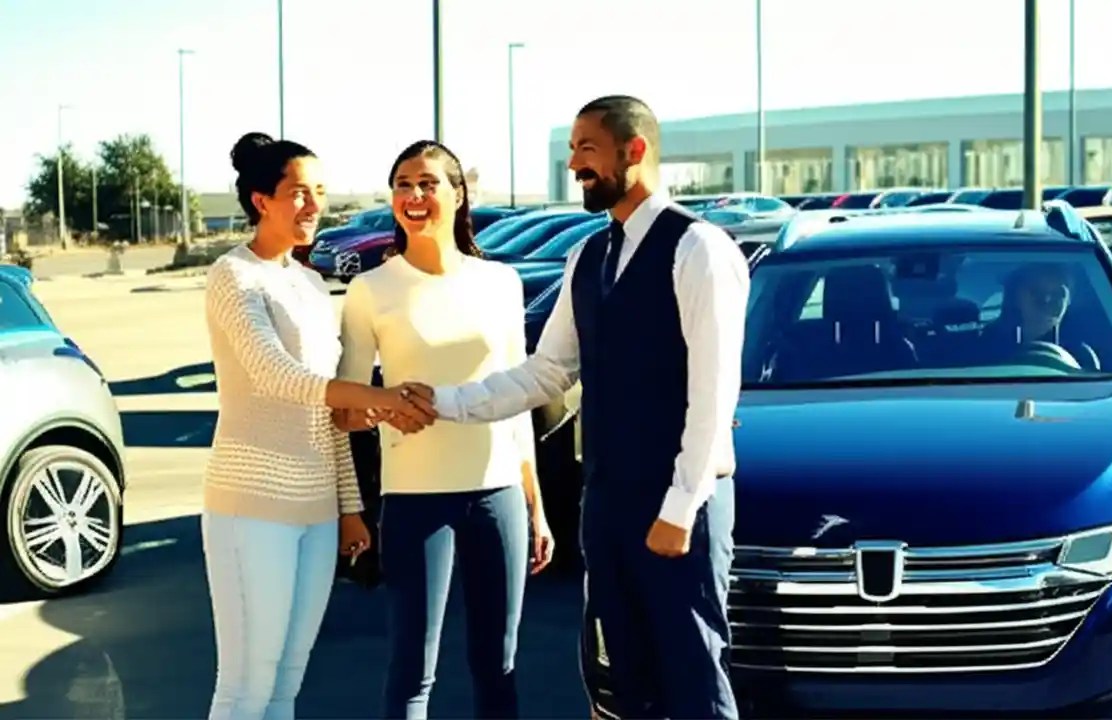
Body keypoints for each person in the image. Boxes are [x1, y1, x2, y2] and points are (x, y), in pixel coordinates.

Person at [422, 95, 750, 718]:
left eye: (587, 149)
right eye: (572, 150)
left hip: (678, 502)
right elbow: (546, 373)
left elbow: (713, 393)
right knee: (626, 680)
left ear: (636, 151)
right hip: (606, 502)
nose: (574, 164)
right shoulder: (587, 257)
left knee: (694, 675)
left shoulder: (699, 250)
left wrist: (680, 508)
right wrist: (440, 403)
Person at [202, 131, 435, 720]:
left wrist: (350, 507)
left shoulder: (306, 283)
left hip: (316, 512)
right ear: (262, 200)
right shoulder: (233, 276)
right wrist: (379, 397)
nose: (313, 206)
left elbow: (329, 412)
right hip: (251, 507)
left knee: (287, 678)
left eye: (320, 193)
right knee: (245, 682)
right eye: (298, 193)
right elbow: (276, 376)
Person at [333, 139, 554, 720]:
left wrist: (535, 506)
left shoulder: (501, 282)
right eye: (403, 183)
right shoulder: (371, 290)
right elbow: (347, 408)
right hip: (414, 499)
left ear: (458, 195)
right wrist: (388, 407)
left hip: (497, 493)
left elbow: (518, 396)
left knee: (497, 668)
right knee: (412, 673)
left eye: (428, 183)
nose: (413, 195)